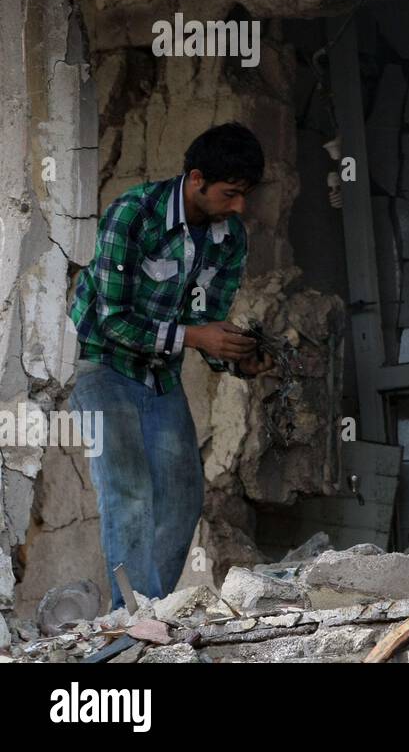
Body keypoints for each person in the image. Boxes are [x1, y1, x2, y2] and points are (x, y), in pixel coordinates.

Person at [69, 122, 271, 607]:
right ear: (196, 179)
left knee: (182, 500)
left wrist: (241, 361)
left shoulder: (229, 236)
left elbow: (208, 322)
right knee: (128, 490)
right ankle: (133, 617)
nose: (239, 206)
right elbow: (111, 321)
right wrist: (195, 335)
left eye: (246, 196)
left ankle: (150, 609)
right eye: (231, 194)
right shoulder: (132, 214)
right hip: (100, 363)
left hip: (159, 373)